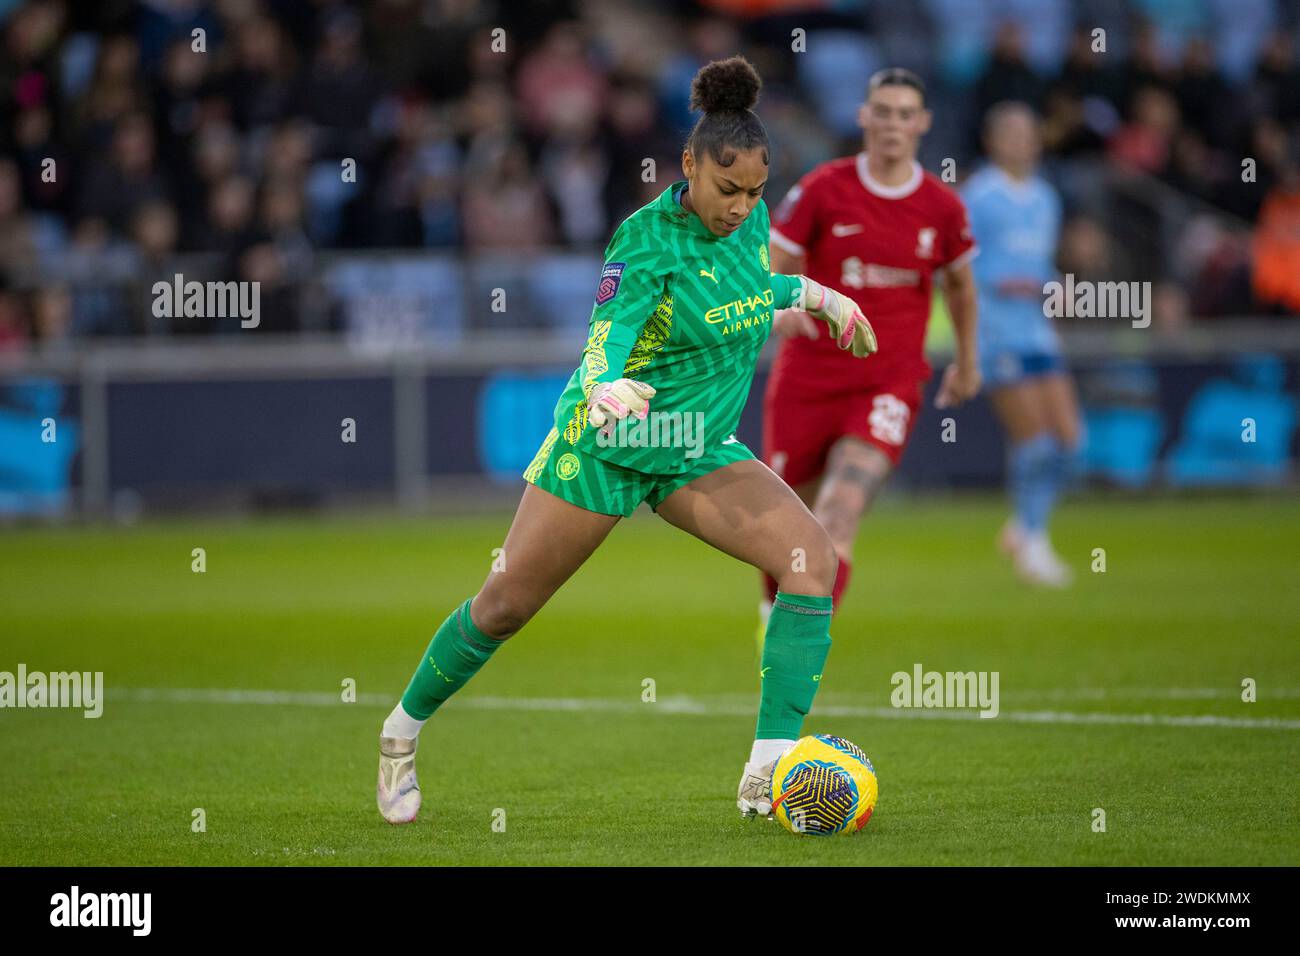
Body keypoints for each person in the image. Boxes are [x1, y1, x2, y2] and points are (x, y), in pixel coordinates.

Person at [376, 57, 877, 825]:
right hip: (609, 440)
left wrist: (815, 295)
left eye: (752, 192)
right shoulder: (645, 239)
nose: (740, 207)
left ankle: (766, 775)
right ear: (688, 167)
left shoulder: (753, 223)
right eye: (726, 189)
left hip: (693, 448)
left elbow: (744, 295)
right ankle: (400, 735)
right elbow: (606, 335)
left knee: (810, 563)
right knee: (505, 604)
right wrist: (604, 382)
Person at [762, 67, 979, 619]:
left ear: (922, 123)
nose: (892, 124)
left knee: (840, 511)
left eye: (905, 114)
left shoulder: (942, 208)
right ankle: (774, 620)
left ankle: (805, 651)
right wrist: (782, 306)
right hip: (808, 379)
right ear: (863, 116)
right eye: (882, 111)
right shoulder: (822, 189)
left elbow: (960, 287)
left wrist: (967, 361)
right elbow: (772, 262)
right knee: (785, 526)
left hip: (889, 382)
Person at [962, 101, 1079, 586]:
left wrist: (1055, 288)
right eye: (1009, 131)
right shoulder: (979, 194)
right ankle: (1033, 541)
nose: (1020, 140)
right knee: (1034, 442)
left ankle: (1023, 525)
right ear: (992, 140)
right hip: (996, 331)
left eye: (1027, 131)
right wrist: (994, 285)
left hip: (1037, 329)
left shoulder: (1046, 198)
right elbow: (960, 262)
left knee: (1072, 444)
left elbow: (1041, 266)